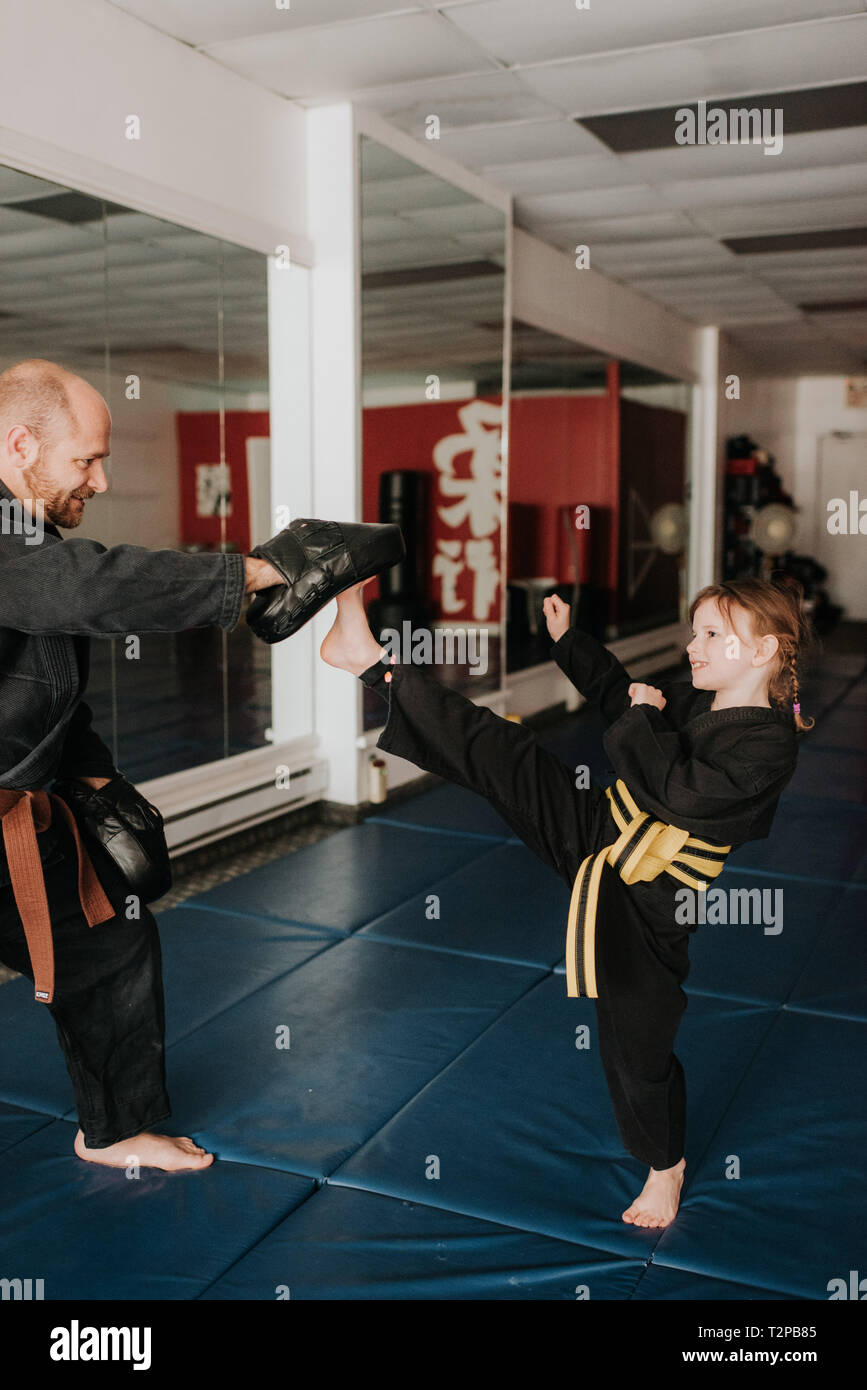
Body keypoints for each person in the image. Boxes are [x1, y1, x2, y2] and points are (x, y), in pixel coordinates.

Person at [0, 358, 398, 1173]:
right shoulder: (18, 548)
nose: (101, 481)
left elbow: (43, 682)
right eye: (86, 461)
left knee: (108, 942)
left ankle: (116, 1127)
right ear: (19, 444)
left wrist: (101, 786)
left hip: (16, 807)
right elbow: (85, 587)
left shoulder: (28, 538)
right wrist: (259, 571)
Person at [320, 574, 812, 1228]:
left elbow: (683, 794)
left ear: (762, 652)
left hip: (647, 900)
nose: (693, 646)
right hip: (598, 827)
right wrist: (566, 640)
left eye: (711, 634)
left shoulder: (768, 741)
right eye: (693, 631)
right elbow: (618, 694)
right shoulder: (699, 698)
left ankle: (664, 1165)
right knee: (502, 752)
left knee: (635, 1043)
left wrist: (642, 714)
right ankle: (371, 663)